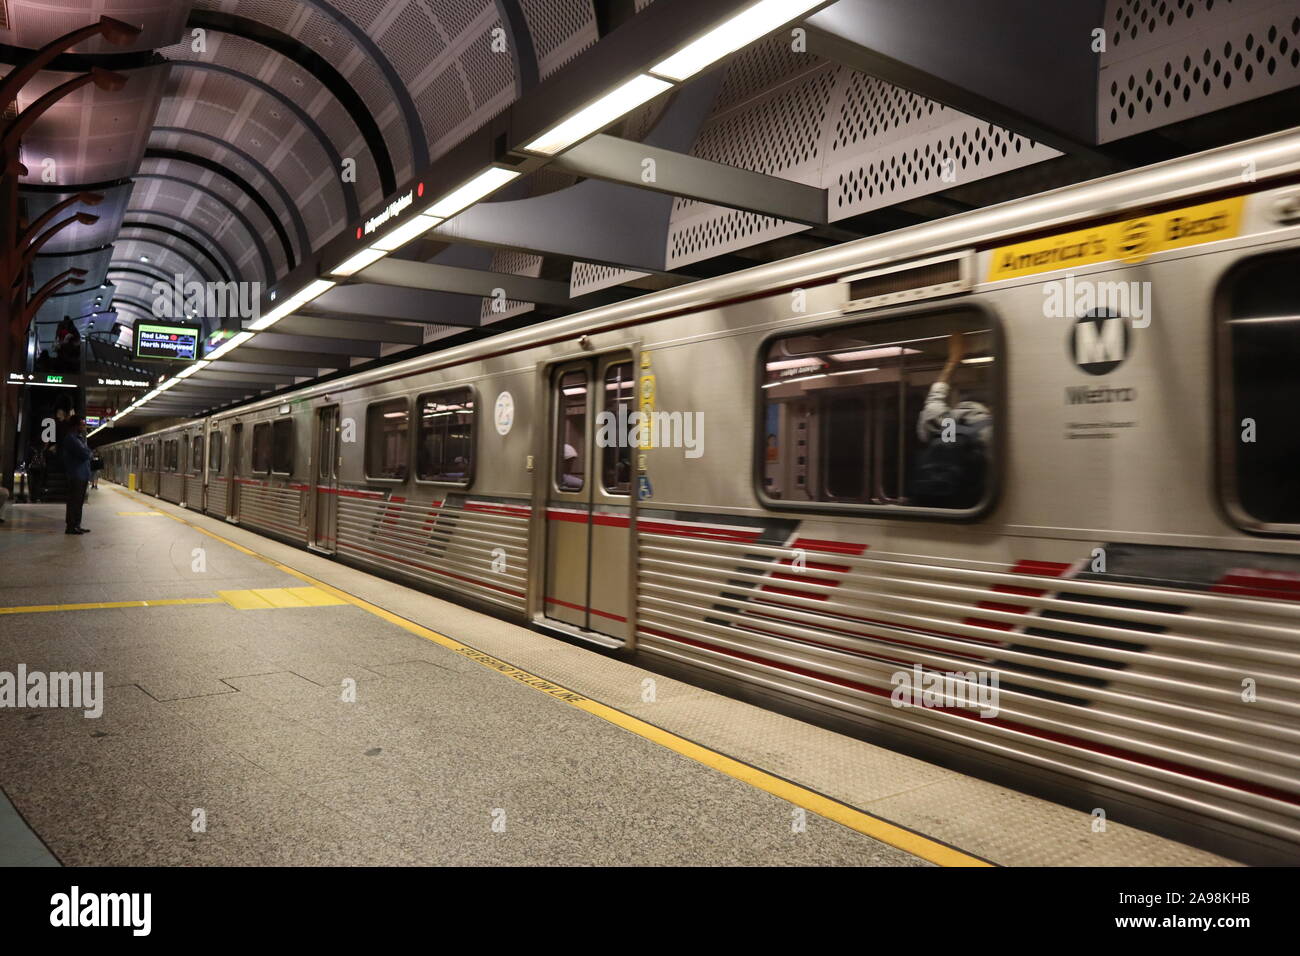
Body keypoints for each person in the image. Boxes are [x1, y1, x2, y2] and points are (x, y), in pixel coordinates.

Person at [912, 333, 993, 508]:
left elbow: (935, 397)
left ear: (961, 404)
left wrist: (954, 359)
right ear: (988, 407)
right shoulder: (989, 430)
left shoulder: (946, 424)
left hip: (930, 504)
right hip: (969, 507)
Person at [61, 414, 92, 535]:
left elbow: (86, 452)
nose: (84, 426)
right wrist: (89, 453)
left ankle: (77, 525)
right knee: (74, 502)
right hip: (76, 475)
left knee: (79, 502)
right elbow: (86, 454)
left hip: (82, 475)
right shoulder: (71, 439)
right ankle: (71, 526)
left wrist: (88, 452)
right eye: (82, 424)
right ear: (75, 426)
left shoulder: (79, 438)